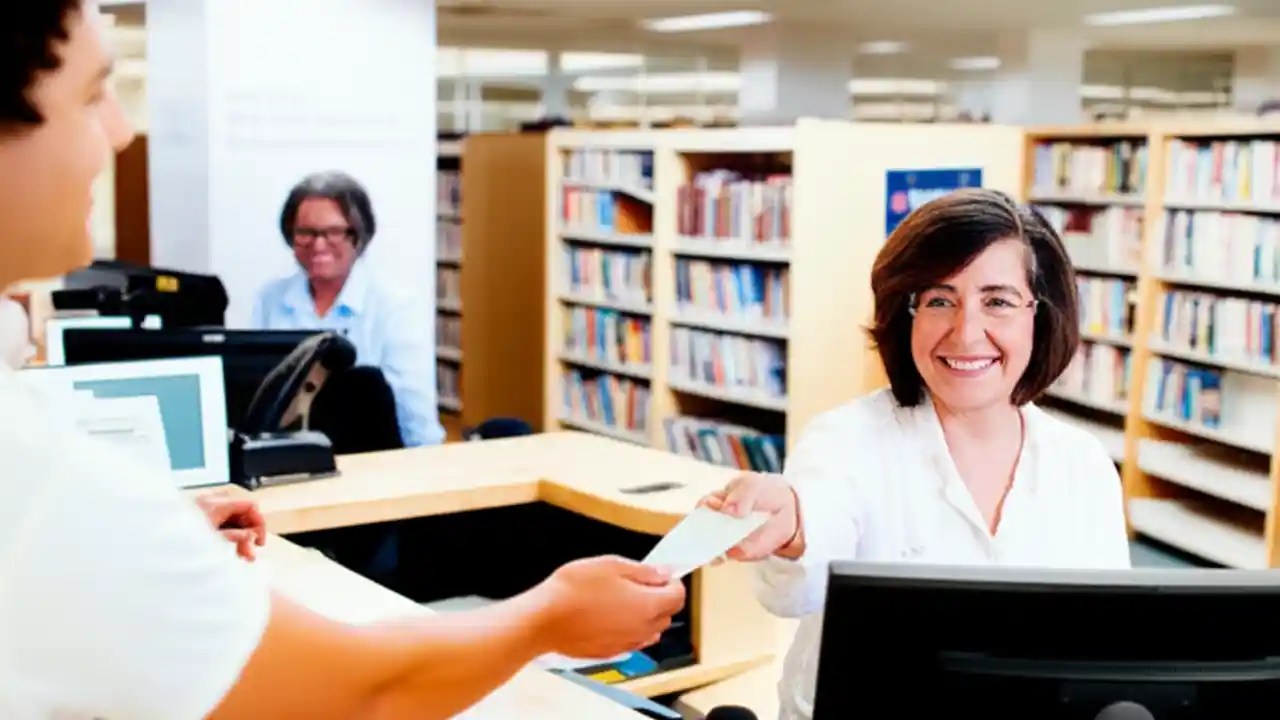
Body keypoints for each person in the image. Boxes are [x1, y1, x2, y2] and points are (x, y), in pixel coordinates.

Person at [0, 3, 684, 719]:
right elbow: (361, 694)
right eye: (89, 95)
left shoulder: (52, 481)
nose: (121, 129)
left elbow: (417, 424)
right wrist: (548, 618)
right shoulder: (41, 476)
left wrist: (130, 537)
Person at [700, 188, 1131, 719]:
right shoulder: (847, 439)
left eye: (997, 301)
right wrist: (792, 525)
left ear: (1041, 317)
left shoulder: (1082, 463)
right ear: (906, 316)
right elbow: (797, 584)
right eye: (939, 300)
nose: (967, 332)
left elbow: (1113, 645)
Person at [252, 171, 445, 448]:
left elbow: (414, 411)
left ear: (358, 235)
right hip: (284, 459)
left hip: (370, 461)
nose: (318, 245)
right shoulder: (270, 298)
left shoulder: (394, 306)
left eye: (333, 232)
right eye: (305, 232)